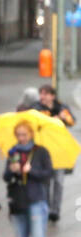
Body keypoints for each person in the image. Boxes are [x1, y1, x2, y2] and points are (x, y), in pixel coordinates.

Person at [4, 121, 53, 237]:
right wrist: (12, 169)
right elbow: (5, 176)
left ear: (31, 134)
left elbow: (48, 175)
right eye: (18, 134)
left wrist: (30, 171)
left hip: (36, 201)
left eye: (24, 134)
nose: (21, 138)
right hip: (17, 201)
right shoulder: (13, 152)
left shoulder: (40, 152)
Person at [32, 82, 75, 222]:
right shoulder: (36, 108)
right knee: (45, 181)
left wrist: (64, 117)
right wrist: (51, 121)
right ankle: (46, 207)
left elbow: (72, 121)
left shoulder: (62, 107)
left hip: (59, 151)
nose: (42, 97)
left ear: (52, 96)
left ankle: (55, 210)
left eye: (45, 94)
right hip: (44, 151)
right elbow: (33, 124)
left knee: (59, 181)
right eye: (41, 93)